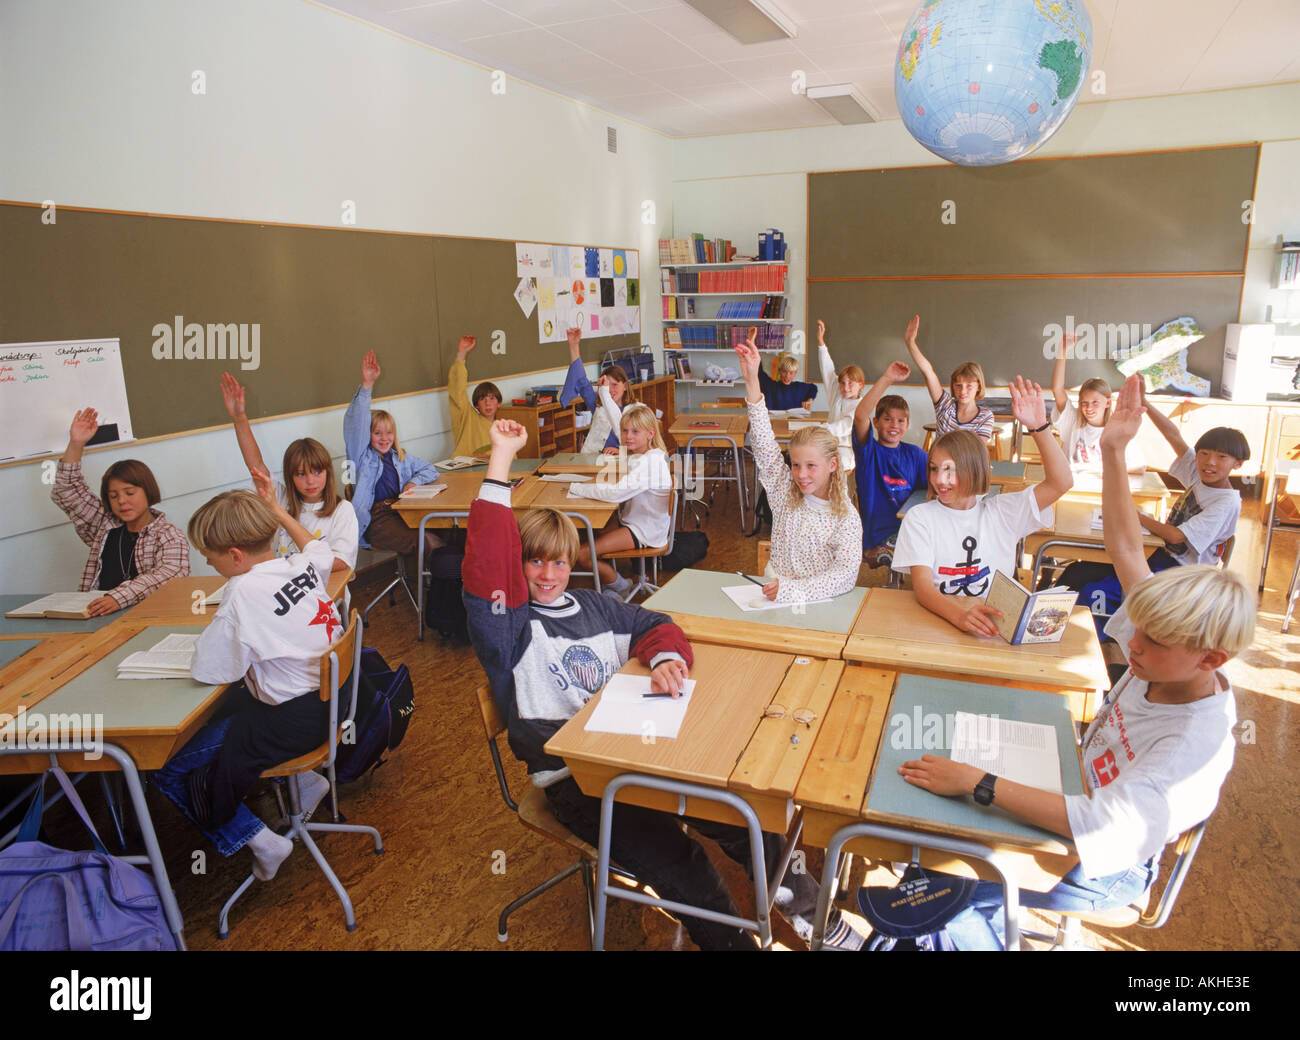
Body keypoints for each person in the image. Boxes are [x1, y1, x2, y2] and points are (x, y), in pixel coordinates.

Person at [462, 418, 863, 949]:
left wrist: (663, 658)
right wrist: (500, 460)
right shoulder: (510, 627)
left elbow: (654, 624)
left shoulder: (591, 605)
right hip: (577, 780)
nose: (546, 574)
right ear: (517, 568)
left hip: (633, 754)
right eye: (532, 562)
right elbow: (486, 565)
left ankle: (815, 917)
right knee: (687, 866)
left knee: (739, 814)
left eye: (558, 562)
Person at [894, 375, 1255, 950]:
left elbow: (1096, 827)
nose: (1129, 649)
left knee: (932, 884)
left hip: (1101, 863)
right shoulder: (1173, 643)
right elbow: (1127, 548)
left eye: (1150, 646)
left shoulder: (1190, 749)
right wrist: (1112, 450)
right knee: (933, 827)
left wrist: (979, 782)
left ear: (1211, 658)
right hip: (1071, 777)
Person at [154, 470, 343, 882]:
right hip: (332, 706)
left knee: (164, 766)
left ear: (236, 556)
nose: (206, 560)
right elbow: (319, 548)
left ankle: (260, 839)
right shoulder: (299, 564)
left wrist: (219, 628)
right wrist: (276, 509)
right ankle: (308, 782)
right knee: (233, 709)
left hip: (291, 721)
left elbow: (211, 670)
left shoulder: (240, 595)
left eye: (210, 553)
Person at [892, 377, 1073, 635]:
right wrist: (960, 616)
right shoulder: (920, 517)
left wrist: (1039, 428)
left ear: (973, 469)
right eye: (934, 469)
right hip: (939, 621)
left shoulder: (1002, 513)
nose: (939, 479)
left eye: (950, 470)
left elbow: (1062, 482)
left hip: (993, 625)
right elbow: (923, 588)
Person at [1060, 384, 1248, 631]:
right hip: (1158, 555)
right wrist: (1145, 404)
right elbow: (1174, 436)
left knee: (1095, 592)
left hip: (1181, 575)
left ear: (1238, 464)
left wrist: (1134, 516)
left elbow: (1175, 535)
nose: (1209, 462)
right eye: (1204, 454)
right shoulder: (1199, 475)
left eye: (1222, 457)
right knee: (1075, 573)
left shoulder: (1226, 502)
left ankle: (1102, 647)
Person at [736, 327, 862, 604]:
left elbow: (845, 575)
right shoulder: (784, 492)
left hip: (820, 604)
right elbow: (763, 439)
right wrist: (751, 379)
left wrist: (794, 591)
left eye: (811, 466)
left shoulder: (846, 517)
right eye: (795, 465)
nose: (801, 475)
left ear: (832, 464)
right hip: (773, 595)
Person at [50, 407, 190, 614]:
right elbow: (67, 490)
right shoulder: (104, 524)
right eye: (113, 496)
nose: (122, 501)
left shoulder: (168, 535)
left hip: (146, 616)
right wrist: (77, 443)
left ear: (147, 490)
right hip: (97, 614)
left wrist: (118, 597)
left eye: (130, 493)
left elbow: (170, 574)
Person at [218, 372, 357, 571]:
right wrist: (240, 419)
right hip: (282, 590)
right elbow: (255, 465)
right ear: (290, 477)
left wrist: (289, 569)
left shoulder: (342, 510)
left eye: (317, 472)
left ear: (328, 472)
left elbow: (341, 562)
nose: (310, 481)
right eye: (301, 474)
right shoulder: (281, 498)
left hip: (319, 593)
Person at [342, 350, 442, 556]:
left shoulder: (400, 458)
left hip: (401, 510)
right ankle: (435, 585)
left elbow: (429, 469)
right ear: (367, 436)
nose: (384, 438)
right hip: (376, 520)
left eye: (388, 433)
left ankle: (444, 579)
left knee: (448, 530)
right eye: (377, 433)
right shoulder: (361, 457)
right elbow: (356, 424)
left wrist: (414, 483)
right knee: (427, 540)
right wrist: (367, 385)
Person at [571, 403, 673, 601]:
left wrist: (577, 488)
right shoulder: (646, 455)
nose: (628, 436)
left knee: (582, 554)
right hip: (639, 521)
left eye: (635, 431)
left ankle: (621, 585)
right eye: (625, 431)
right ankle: (612, 583)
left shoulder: (649, 462)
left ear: (650, 434)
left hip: (645, 530)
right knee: (597, 529)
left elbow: (615, 494)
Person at [851, 359, 928, 570]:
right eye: (887, 419)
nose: (894, 425)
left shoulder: (915, 454)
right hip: (878, 539)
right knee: (921, 552)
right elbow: (859, 415)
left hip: (909, 530)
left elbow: (935, 484)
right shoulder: (869, 452)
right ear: (875, 422)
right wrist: (887, 378)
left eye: (900, 421)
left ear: (908, 425)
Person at [1049, 332, 1144, 474]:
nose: (1089, 408)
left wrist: (1092, 469)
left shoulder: (1118, 429)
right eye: (1084, 402)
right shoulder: (1073, 422)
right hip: (1071, 489)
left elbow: (1140, 467)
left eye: (1095, 402)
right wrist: (1062, 351)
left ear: (1107, 403)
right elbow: (1057, 389)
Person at [902, 314, 994, 441]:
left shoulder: (985, 416)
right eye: (958, 385)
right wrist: (910, 342)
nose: (963, 391)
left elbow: (976, 451)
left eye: (969, 386)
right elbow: (928, 372)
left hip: (966, 461)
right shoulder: (945, 406)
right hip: (941, 460)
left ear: (978, 387)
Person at [559, 326, 632, 455]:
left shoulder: (633, 411)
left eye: (615, 385)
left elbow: (641, 445)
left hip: (619, 460)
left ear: (625, 386)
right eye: (607, 386)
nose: (610, 390)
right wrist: (574, 345)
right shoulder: (599, 404)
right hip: (594, 457)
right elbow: (580, 378)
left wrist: (621, 451)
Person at [816, 318, 865, 473]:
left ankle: (838, 496)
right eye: (842, 383)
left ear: (861, 385)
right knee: (809, 460)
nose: (845, 387)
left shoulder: (860, 407)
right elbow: (828, 369)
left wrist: (816, 429)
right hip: (830, 445)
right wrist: (821, 342)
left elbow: (841, 428)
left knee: (831, 466)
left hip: (847, 451)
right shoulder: (837, 394)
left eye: (851, 383)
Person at [448, 334, 502, 458]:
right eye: (482, 399)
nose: (487, 403)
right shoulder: (467, 418)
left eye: (492, 398)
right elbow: (458, 390)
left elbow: (511, 458)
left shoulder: (503, 429)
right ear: (476, 405)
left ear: (499, 403)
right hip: (465, 472)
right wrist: (461, 355)